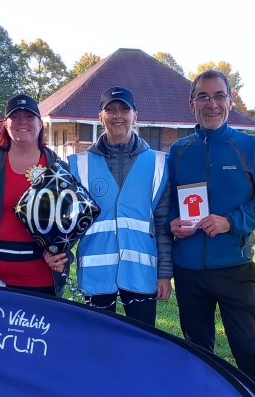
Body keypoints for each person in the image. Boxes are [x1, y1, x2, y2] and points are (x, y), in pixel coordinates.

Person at [167, 69, 255, 397]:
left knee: (248, 350)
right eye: (203, 96)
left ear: (230, 101)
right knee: (198, 353)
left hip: (234, 267)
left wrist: (232, 222)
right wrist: (173, 223)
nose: (211, 103)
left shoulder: (250, 146)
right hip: (188, 271)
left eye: (219, 96)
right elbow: (167, 202)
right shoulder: (178, 151)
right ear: (192, 104)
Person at [45, 86, 172, 325]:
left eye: (124, 109)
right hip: (95, 273)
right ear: (100, 117)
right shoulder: (77, 165)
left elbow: (163, 224)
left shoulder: (159, 163)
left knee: (142, 344)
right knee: (98, 346)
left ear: (136, 115)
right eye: (110, 110)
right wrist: (55, 252)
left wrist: (165, 273)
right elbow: (67, 224)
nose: (117, 116)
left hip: (141, 273)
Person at [0, 93, 67, 295]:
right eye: (15, 116)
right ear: (5, 124)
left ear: (40, 124)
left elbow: (70, 222)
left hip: (42, 281)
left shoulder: (59, 169)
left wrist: (60, 255)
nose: (22, 121)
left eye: (29, 116)